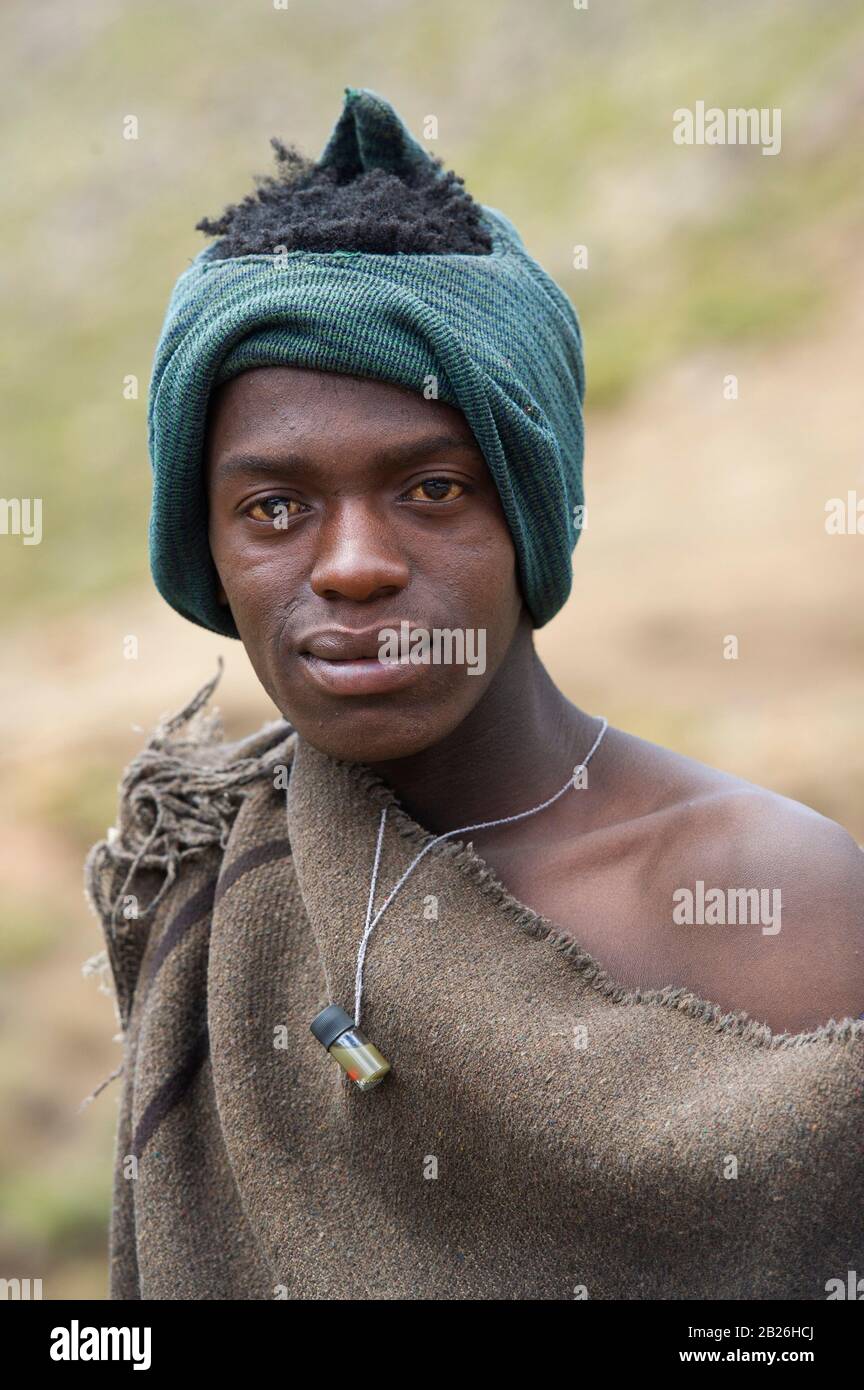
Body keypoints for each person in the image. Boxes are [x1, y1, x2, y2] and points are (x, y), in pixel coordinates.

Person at [86, 87, 863, 1301]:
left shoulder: (777, 906)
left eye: (433, 488)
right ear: (206, 552)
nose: (350, 565)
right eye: (274, 508)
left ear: (532, 518)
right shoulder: (218, 884)